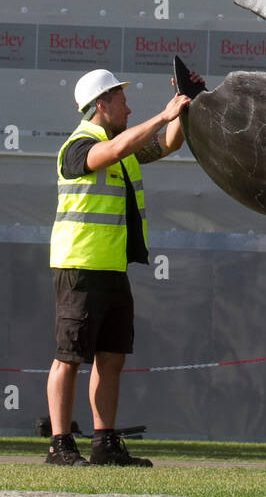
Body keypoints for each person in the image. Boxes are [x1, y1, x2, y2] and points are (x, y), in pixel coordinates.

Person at [44, 67, 193, 466]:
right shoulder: (79, 146)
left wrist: (184, 104)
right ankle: (60, 445)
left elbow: (167, 145)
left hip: (112, 268)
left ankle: (104, 443)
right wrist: (162, 115)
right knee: (69, 356)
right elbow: (111, 152)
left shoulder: (124, 147)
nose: (128, 105)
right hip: (79, 266)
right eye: (121, 99)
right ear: (100, 104)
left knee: (111, 356)